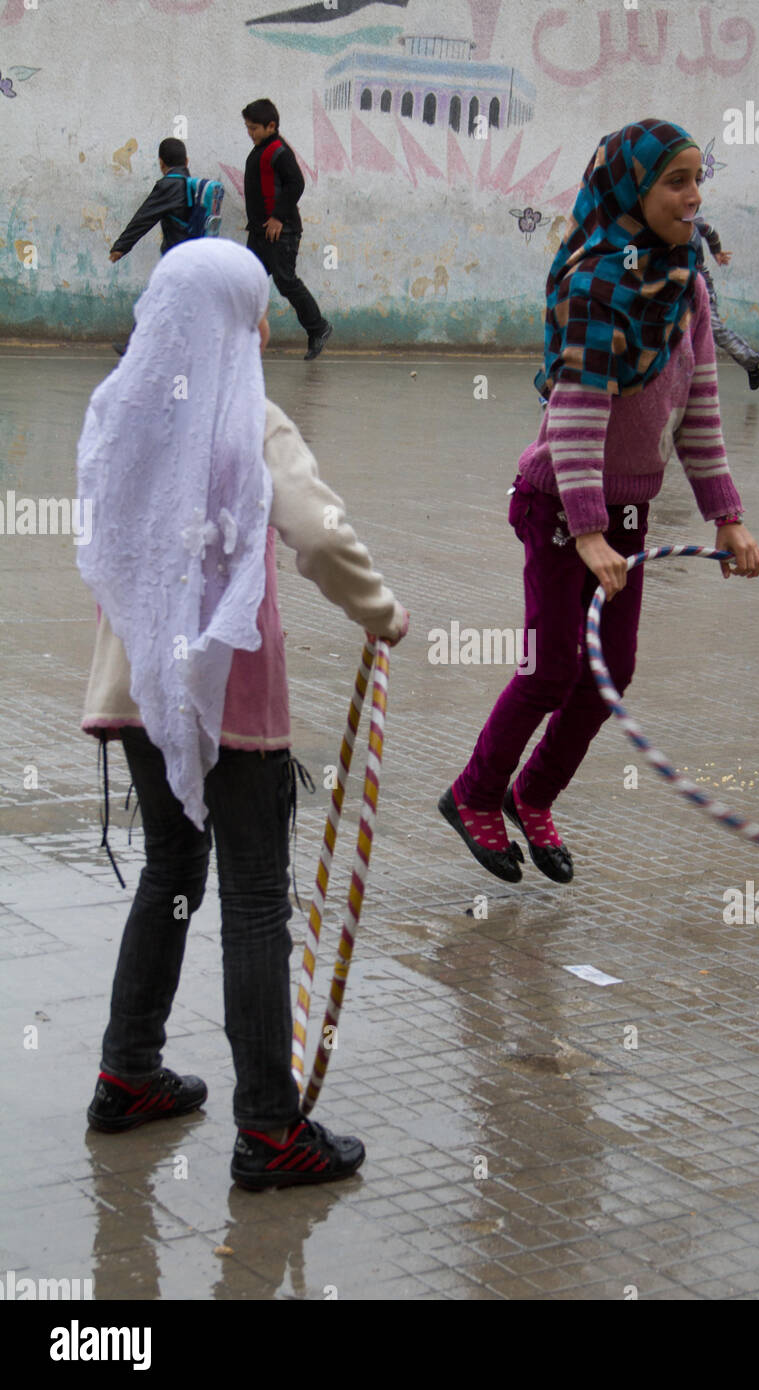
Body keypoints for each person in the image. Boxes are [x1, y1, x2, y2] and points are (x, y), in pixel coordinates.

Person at [77, 239, 407, 1189]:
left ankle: (127, 1074)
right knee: (256, 897)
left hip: (135, 694)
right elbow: (319, 533)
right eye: (255, 306)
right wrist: (383, 614)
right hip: (227, 704)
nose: (264, 323)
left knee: (171, 870)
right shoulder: (247, 417)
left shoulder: (121, 415)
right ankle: (270, 1129)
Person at [439, 119, 759, 885]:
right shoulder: (596, 283)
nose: (692, 197)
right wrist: (587, 531)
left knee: (608, 672)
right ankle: (474, 793)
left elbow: (702, 408)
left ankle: (533, 795)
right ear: (632, 189)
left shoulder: (685, 283)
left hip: (626, 514)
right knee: (550, 666)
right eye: (674, 181)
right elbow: (581, 411)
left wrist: (729, 515)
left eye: (698, 180)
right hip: (559, 503)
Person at [242, 98, 332, 361]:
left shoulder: (279, 150)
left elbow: (296, 184)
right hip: (260, 232)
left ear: (271, 126)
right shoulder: (260, 148)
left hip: (282, 231)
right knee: (249, 282)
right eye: (247, 128)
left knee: (285, 281)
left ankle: (319, 327)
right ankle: (242, 338)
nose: (250, 133)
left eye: (254, 128)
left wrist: (278, 218)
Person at [107, 137, 194, 355]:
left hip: (176, 258)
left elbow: (144, 218)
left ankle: (135, 349)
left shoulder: (168, 186)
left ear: (161, 163)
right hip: (195, 257)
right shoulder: (191, 185)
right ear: (187, 161)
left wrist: (121, 246)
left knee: (154, 299)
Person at [689, 215, 759, 389]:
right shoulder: (646, 224)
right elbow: (630, 249)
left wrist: (716, 251)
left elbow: (710, 231)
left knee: (714, 329)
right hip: (672, 286)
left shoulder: (692, 225)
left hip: (699, 286)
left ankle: (750, 360)